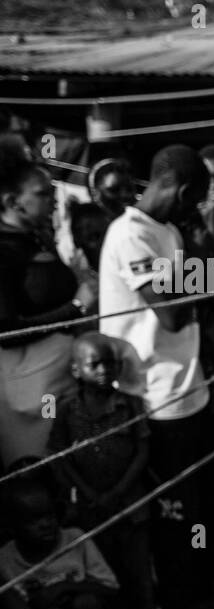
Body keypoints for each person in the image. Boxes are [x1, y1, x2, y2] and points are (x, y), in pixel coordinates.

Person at [98, 144, 211, 609]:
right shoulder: (129, 234)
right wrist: (204, 285)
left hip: (188, 388)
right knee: (170, 513)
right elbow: (169, 313)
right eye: (194, 200)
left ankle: (192, 606)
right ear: (183, 191)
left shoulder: (168, 230)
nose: (195, 211)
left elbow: (181, 299)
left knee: (192, 511)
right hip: (151, 394)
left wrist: (196, 286)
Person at [46, 333, 165, 609]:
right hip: (90, 508)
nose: (104, 369)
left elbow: (142, 450)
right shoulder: (67, 410)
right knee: (103, 573)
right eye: (94, 363)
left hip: (131, 504)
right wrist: (88, 493)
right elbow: (58, 454)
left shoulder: (130, 404)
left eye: (110, 362)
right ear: (76, 370)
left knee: (137, 570)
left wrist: (117, 491)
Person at [0, 151, 96, 467]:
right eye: (43, 194)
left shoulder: (37, 240)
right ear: (13, 201)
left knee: (68, 457)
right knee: (43, 463)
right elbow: (6, 331)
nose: (53, 202)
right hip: (32, 394)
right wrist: (76, 306)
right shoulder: (6, 251)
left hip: (59, 379)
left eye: (54, 194)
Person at [0, 474, 119, 609]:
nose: (46, 524)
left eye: (50, 516)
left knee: (86, 604)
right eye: (34, 520)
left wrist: (64, 587)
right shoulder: (5, 558)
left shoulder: (75, 539)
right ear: (13, 527)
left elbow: (110, 587)